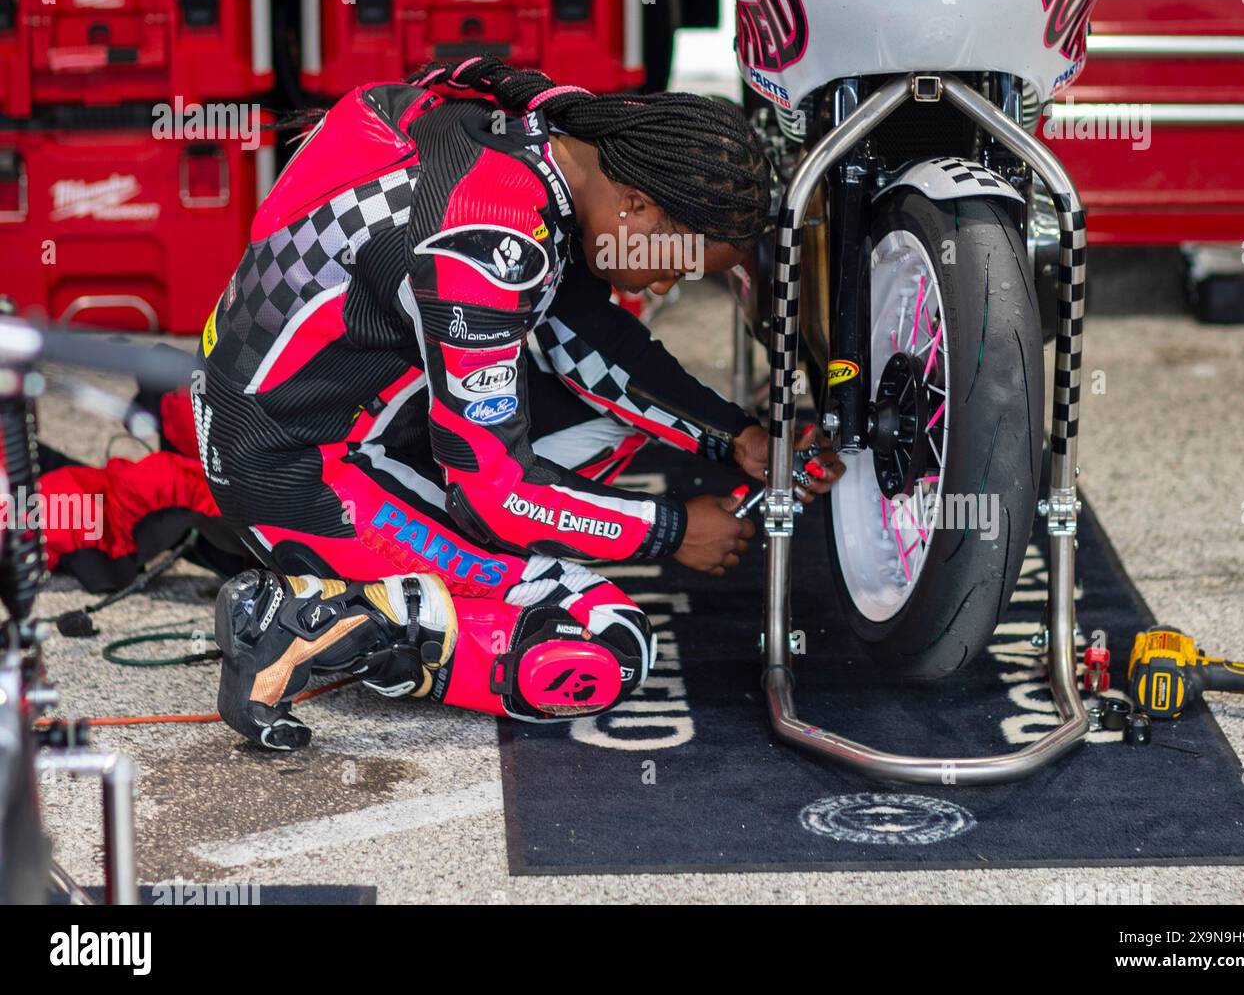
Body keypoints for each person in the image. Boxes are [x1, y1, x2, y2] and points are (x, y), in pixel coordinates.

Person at [191, 56, 842, 750]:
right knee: (600, 643)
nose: (662, 287)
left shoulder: (527, 139)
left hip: (302, 413)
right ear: (637, 206)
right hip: (292, 475)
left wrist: (734, 435)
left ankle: (378, 582)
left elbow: (587, 336)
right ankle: (299, 626)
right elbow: (495, 497)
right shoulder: (484, 246)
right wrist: (672, 529)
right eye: (676, 263)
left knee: (609, 422)